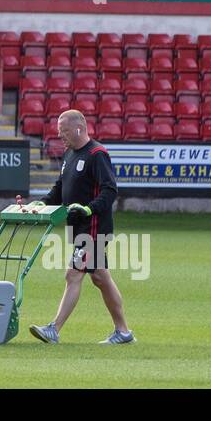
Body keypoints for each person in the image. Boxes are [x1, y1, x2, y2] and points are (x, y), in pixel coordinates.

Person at [27, 109, 135, 345]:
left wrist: (90, 209)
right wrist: (42, 202)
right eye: (59, 132)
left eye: (64, 132)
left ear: (78, 128)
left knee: (73, 274)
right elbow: (59, 189)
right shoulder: (69, 154)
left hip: (94, 226)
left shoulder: (97, 154)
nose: (60, 136)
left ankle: (54, 329)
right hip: (77, 227)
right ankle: (124, 332)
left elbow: (110, 190)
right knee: (99, 277)